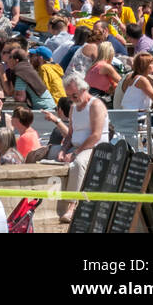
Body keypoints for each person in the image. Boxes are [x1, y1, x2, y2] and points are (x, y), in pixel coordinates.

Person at [56, 73, 109, 223]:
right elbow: (70, 134)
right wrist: (62, 150)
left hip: (95, 147)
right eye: (69, 97)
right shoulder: (74, 107)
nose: (72, 100)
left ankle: (72, 206)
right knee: (44, 154)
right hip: (76, 146)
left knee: (78, 164)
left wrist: (75, 153)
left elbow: (96, 136)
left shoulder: (96, 105)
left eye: (74, 95)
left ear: (83, 89)